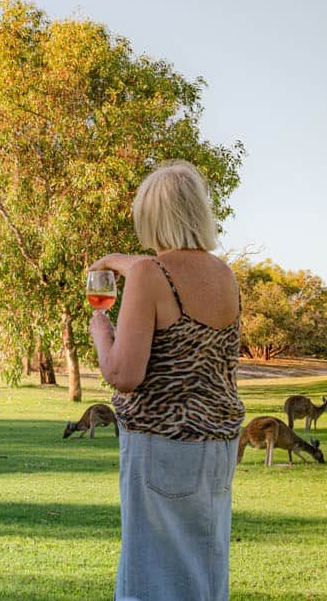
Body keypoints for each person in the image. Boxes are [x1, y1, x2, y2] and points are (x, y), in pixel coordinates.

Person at [88, 159, 245, 601]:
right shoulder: (225, 275)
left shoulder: (150, 275)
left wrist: (102, 332)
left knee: (149, 578)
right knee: (201, 577)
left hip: (161, 445)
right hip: (217, 448)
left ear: (151, 216)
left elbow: (124, 374)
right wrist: (123, 262)